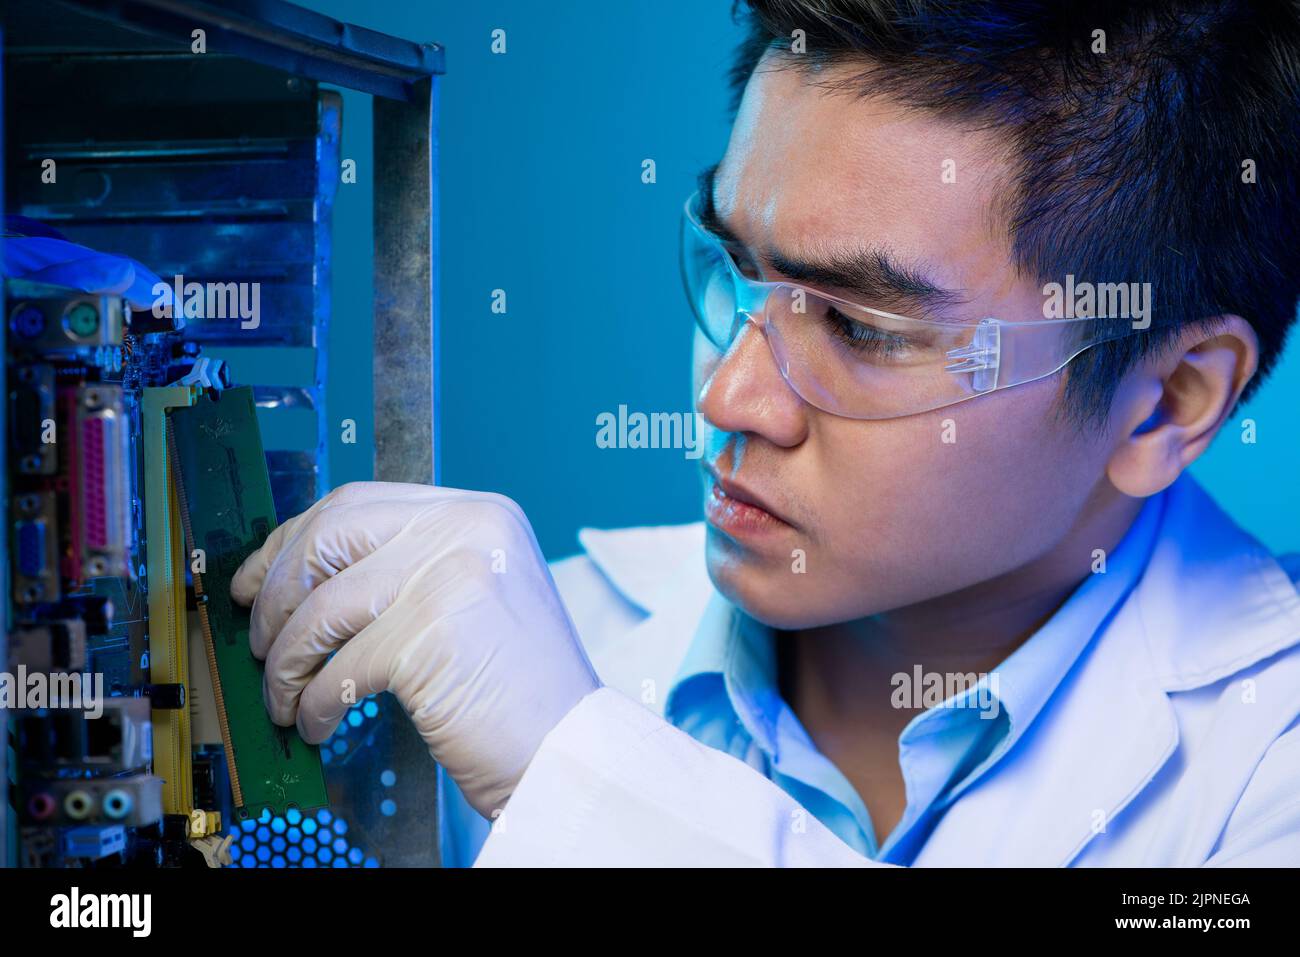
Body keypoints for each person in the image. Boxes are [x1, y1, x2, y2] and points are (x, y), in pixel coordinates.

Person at [230, 0, 1300, 866]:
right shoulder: (511, 659)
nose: (732, 396)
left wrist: (576, 782)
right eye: (736, 270)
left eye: (858, 328)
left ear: (1168, 401)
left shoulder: (1270, 772)